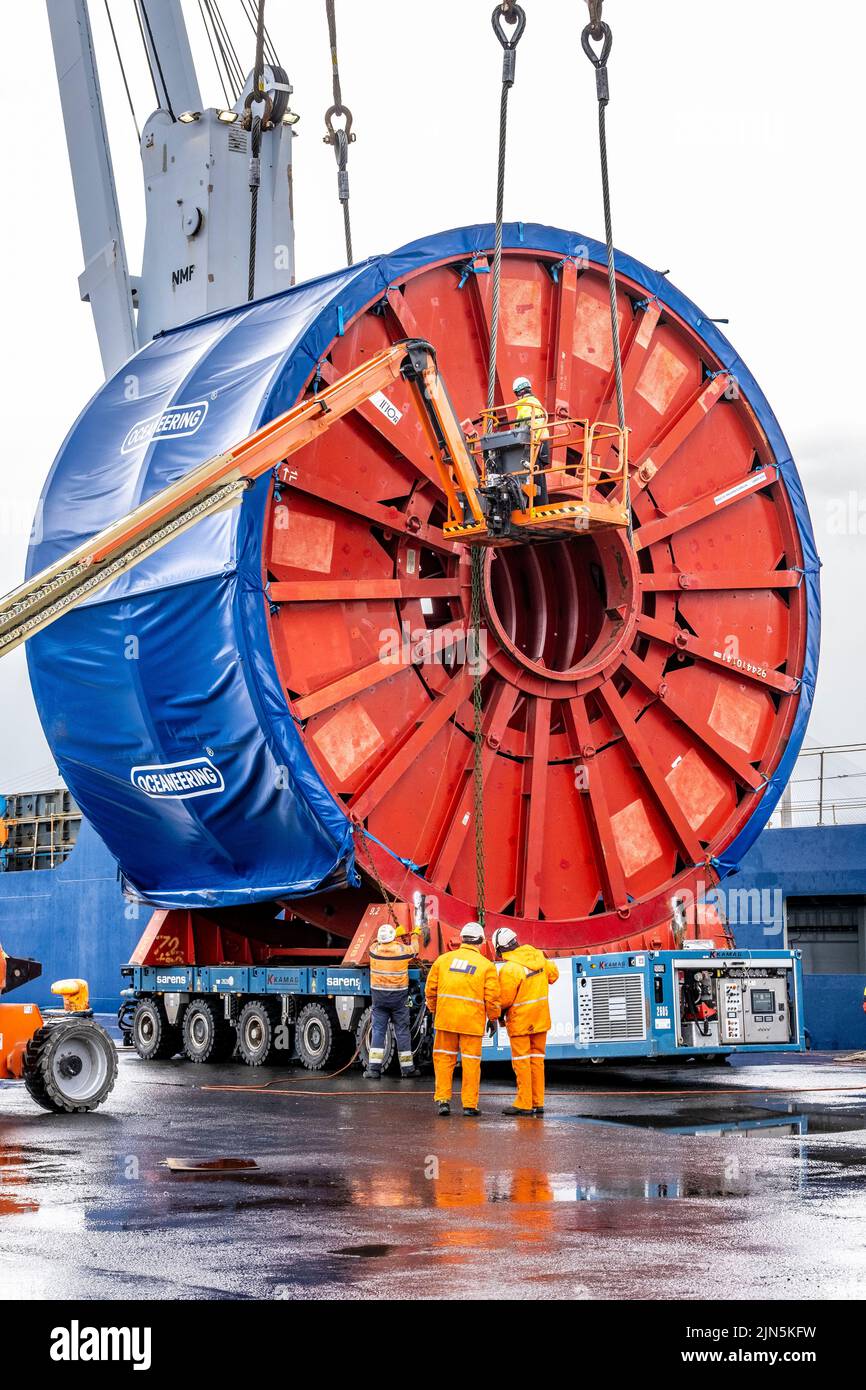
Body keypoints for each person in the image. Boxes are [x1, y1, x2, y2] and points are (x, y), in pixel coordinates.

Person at [424, 921, 501, 1116]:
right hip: (471, 1023)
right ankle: (469, 1105)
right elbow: (491, 997)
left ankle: (443, 1101)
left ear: (461, 940)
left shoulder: (443, 960)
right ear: (481, 941)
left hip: (445, 1020)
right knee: (471, 1063)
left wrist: (435, 1011)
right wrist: (493, 1018)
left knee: (443, 1060)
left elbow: (430, 990)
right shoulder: (486, 966)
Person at [492, 926, 559, 1117]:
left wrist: (494, 1015)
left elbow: (504, 999)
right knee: (537, 1062)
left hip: (521, 1023)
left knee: (521, 1062)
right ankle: (538, 1102)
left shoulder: (510, 969)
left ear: (500, 949)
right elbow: (554, 976)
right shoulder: (538, 957)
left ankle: (524, 1103)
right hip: (540, 1019)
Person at [365, 921, 421, 1079]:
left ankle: (374, 1070)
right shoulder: (401, 951)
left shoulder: (373, 951)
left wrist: (394, 935)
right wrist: (415, 935)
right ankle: (408, 1069)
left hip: (379, 999)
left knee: (378, 1032)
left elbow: (375, 942)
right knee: (402, 1032)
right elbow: (415, 951)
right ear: (393, 937)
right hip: (398, 999)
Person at [512, 376, 551, 504]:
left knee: (535, 475)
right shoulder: (532, 404)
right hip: (539, 444)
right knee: (536, 475)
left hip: (535, 445)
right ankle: (537, 504)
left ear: (518, 393)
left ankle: (538, 505)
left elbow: (535, 425)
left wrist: (531, 445)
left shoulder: (527, 405)